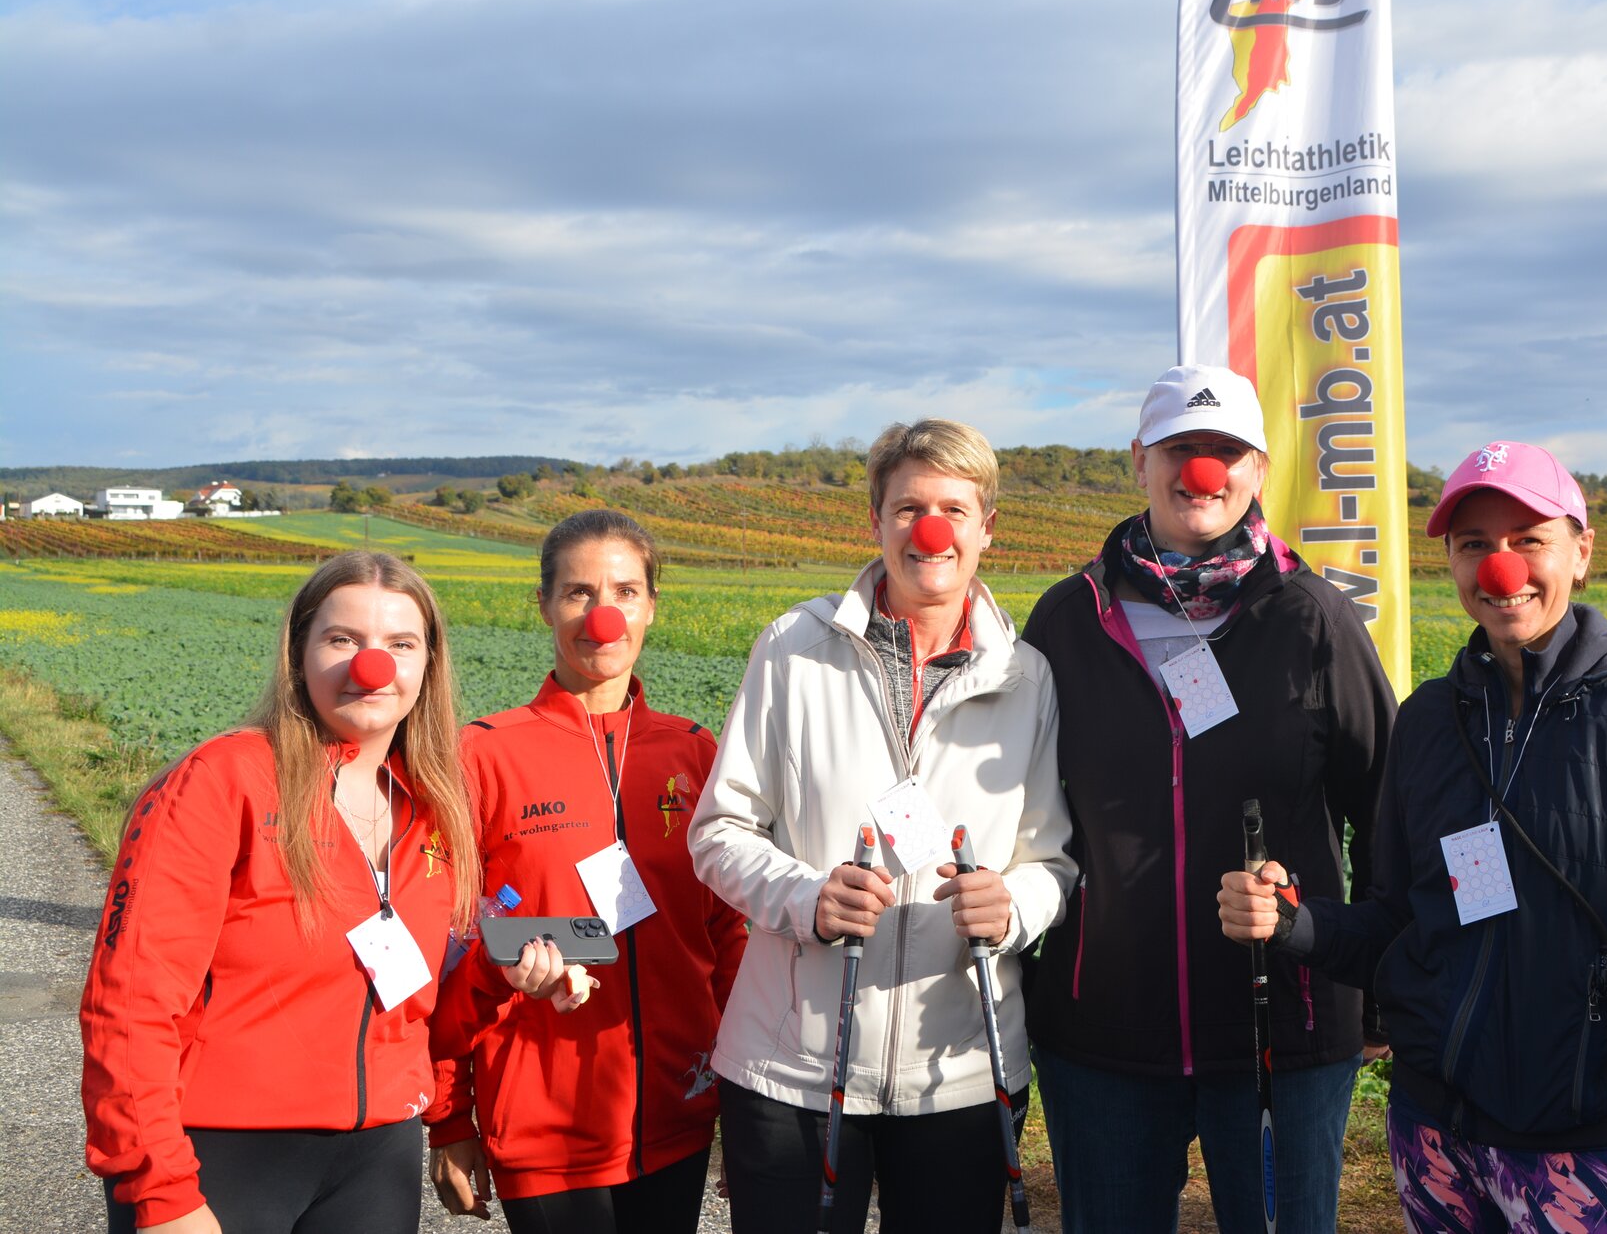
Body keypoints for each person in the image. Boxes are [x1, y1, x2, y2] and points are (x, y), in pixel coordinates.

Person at [1220, 440, 1607, 1233]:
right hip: (1434, 1128)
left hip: (1585, 1138)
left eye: (1527, 540)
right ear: (1450, 562)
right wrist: (1294, 920)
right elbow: (1399, 917)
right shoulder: (1430, 719)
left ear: (1581, 551)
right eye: (1475, 546)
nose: (1502, 568)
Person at [80, 551, 569, 1234]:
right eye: (343, 639)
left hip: (375, 1160)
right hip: (221, 1152)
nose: (372, 664)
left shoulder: (433, 809)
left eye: (400, 643)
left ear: (428, 664)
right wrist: (159, 1188)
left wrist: (503, 975)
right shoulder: (225, 780)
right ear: (298, 651)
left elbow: (423, 1005)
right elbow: (130, 1000)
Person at [1021, 363, 1397, 1234]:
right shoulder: (1068, 620)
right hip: (1103, 1031)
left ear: (1259, 470)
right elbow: (1015, 808)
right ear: (1139, 462)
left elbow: (1383, 806)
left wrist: (1375, 984)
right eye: (1181, 449)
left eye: (1225, 450)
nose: (1204, 471)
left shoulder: (1313, 617)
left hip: (1287, 1024)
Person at [690, 418, 1075, 1234]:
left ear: (986, 529)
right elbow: (718, 830)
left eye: (952, 509)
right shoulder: (794, 647)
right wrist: (807, 898)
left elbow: (1054, 861)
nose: (928, 530)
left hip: (961, 1072)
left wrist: (1014, 906)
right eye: (907, 508)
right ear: (875, 520)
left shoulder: (1026, 676)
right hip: (791, 1068)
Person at [427, 510, 747, 1233]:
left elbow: (727, 932)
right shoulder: (483, 755)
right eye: (578, 592)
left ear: (652, 606)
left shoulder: (695, 753)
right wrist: (449, 1116)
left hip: (678, 1112)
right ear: (543, 604)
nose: (603, 616)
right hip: (544, 1122)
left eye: (625, 592)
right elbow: (446, 947)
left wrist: (741, 1101)